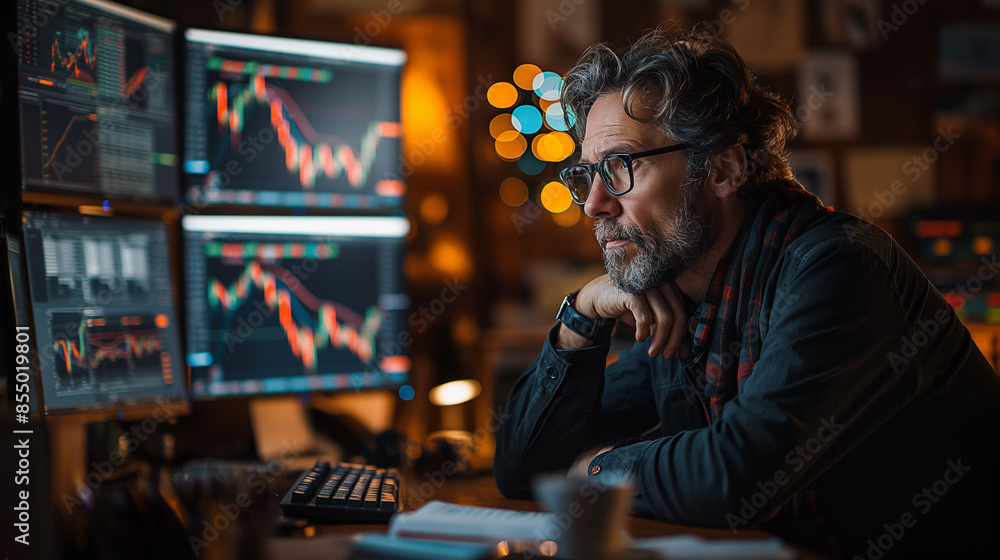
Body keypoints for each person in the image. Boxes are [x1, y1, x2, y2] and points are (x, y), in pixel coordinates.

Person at [493, 26, 1000, 558]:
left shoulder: (837, 266)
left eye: (621, 167)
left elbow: (736, 476)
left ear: (723, 168)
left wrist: (594, 469)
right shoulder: (686, 295)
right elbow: (523, 469)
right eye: (587, 175)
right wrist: (580, 315)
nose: (594, 204)